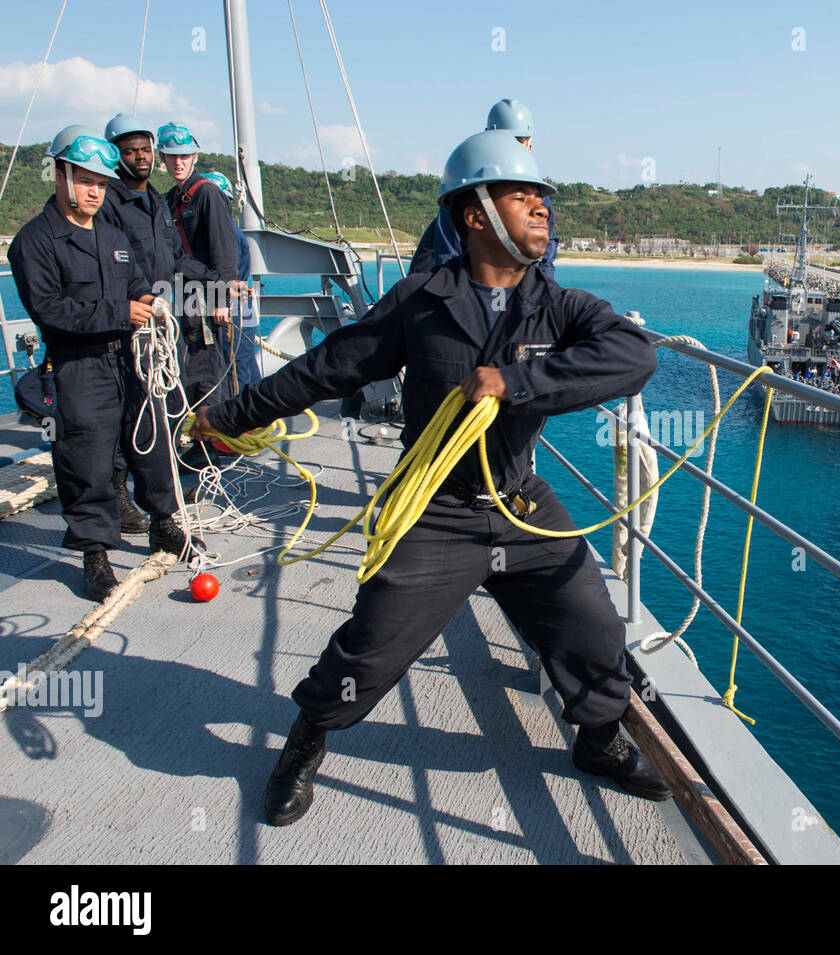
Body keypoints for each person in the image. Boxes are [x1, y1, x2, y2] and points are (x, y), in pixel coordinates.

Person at [193, 129, 669, 826]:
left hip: (520, 501)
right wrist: (228, 418)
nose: (542, 208)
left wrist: (514, 380)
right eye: (523, 195)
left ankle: (597, 737)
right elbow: (324, 369)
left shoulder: (556, 305)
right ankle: (306, 740)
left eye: (543, 197)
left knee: (592, 623)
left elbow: (633, 357)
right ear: (474, 215)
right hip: (437, 510)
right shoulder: (420, 302)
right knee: (369, 650)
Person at [6, 126, 198, 600]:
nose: (96, 191)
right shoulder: (34, 242)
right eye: (86, 180)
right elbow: (50, 311)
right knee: (85, 461)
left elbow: (135, 282)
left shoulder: (113, 235)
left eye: (101, 182)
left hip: (130, 362)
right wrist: (120, 312)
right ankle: (95, 554)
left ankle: (163, 524)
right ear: (61, 175)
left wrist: (147, 300)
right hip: (77, 368)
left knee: (152, 447)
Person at [97, 113, 225, 524]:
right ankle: (120, 496)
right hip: (129, 321)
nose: (142, 158)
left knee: (163, 405)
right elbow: (112, 264)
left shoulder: (157, 201)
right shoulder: (110, 202)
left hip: (161, 318)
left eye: (146, 150)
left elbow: (174, 257)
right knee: (125, 411)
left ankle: (163, 495)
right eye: (130, 151)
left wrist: (220, 284)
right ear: (115, 155)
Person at [409, 99, 557, 278]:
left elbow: (545, 255)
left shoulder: (539, 198)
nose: (510, 149)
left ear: (529, 147)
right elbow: (446, 256)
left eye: (517, 141)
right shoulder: (465, 190)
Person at [157, 122, 241, 411]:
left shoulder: (207, 194)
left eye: (184, 156)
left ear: (194, 157)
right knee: (189, 364)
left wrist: (221, 301)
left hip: (206, 296)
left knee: (209, 369)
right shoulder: (170, 199)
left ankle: (214, 442)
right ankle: (198, 433)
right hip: (185, 294)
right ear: (163, 158)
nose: (178, 162)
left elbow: (224, 252)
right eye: (172, 157)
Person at [200, 171, 260, 392]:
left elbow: (227, 271)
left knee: (233, 366)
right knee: (244, 362)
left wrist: (218, 300)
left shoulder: (224, 233)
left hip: (232, 306)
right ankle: (257, 415)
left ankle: (241, 421)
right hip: (240, 305)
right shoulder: (229, 229)